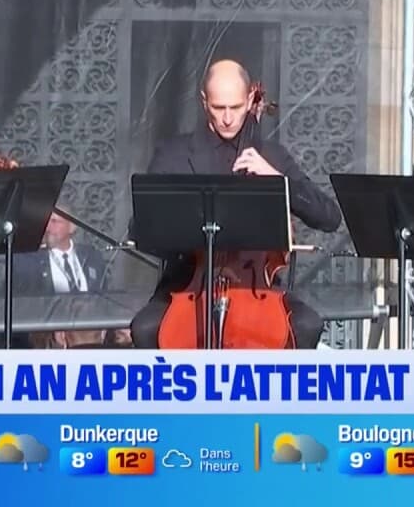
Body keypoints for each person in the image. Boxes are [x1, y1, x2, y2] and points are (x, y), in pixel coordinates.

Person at [128, 60, 344, 349]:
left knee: (307, 325)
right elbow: (142, 227)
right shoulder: (174, 155)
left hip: (255, 286)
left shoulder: (271, 156)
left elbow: (329, 217)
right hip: (188, 282)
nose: (228, 118)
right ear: (204, 101)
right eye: (219, 108)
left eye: (236, 107)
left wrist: (279, 181)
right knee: (145, 328)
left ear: (250, 100)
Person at [14, 210, 132, 348]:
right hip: (53, 336)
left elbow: (103, 296)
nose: (47, 228)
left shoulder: (91, 256)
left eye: (54, 222)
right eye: (45, 223)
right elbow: (24, 306)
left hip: (93, 332)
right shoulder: (29, 261)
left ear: (71, 227)